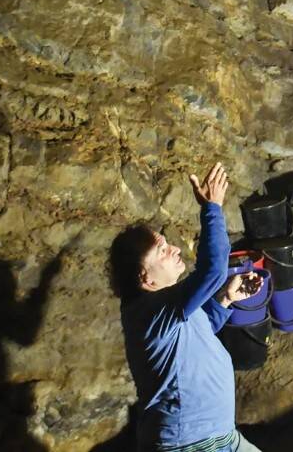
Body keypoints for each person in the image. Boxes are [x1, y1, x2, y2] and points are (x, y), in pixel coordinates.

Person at [110, 162, 264, 451]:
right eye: (163, 250)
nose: (176, 249)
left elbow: (195, 334)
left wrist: (224, 300)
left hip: (220, 437)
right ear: (146, 277)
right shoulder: (149, 311)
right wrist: (212, 208)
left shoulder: (165, 307)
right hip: (190, 445)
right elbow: (213, 271)